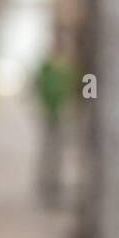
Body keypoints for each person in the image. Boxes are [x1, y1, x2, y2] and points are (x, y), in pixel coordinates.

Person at [32, 43, 77, 207]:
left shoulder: (67, 70)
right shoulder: (47, 69)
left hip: (63, 114)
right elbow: (38, 87)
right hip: (49, 114)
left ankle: (55, 182)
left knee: (58, 151)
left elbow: (75, 89)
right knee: (49, 150)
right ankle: (47, 182)